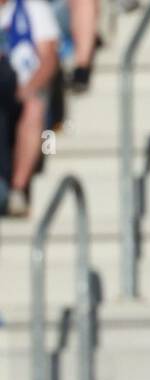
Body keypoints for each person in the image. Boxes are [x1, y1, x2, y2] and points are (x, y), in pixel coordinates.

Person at [1, 0, 60, 217]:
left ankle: (18, 189)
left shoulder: (32, 9)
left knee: (35, 107)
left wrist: (28, 89)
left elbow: (49, 59)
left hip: (25, 93)